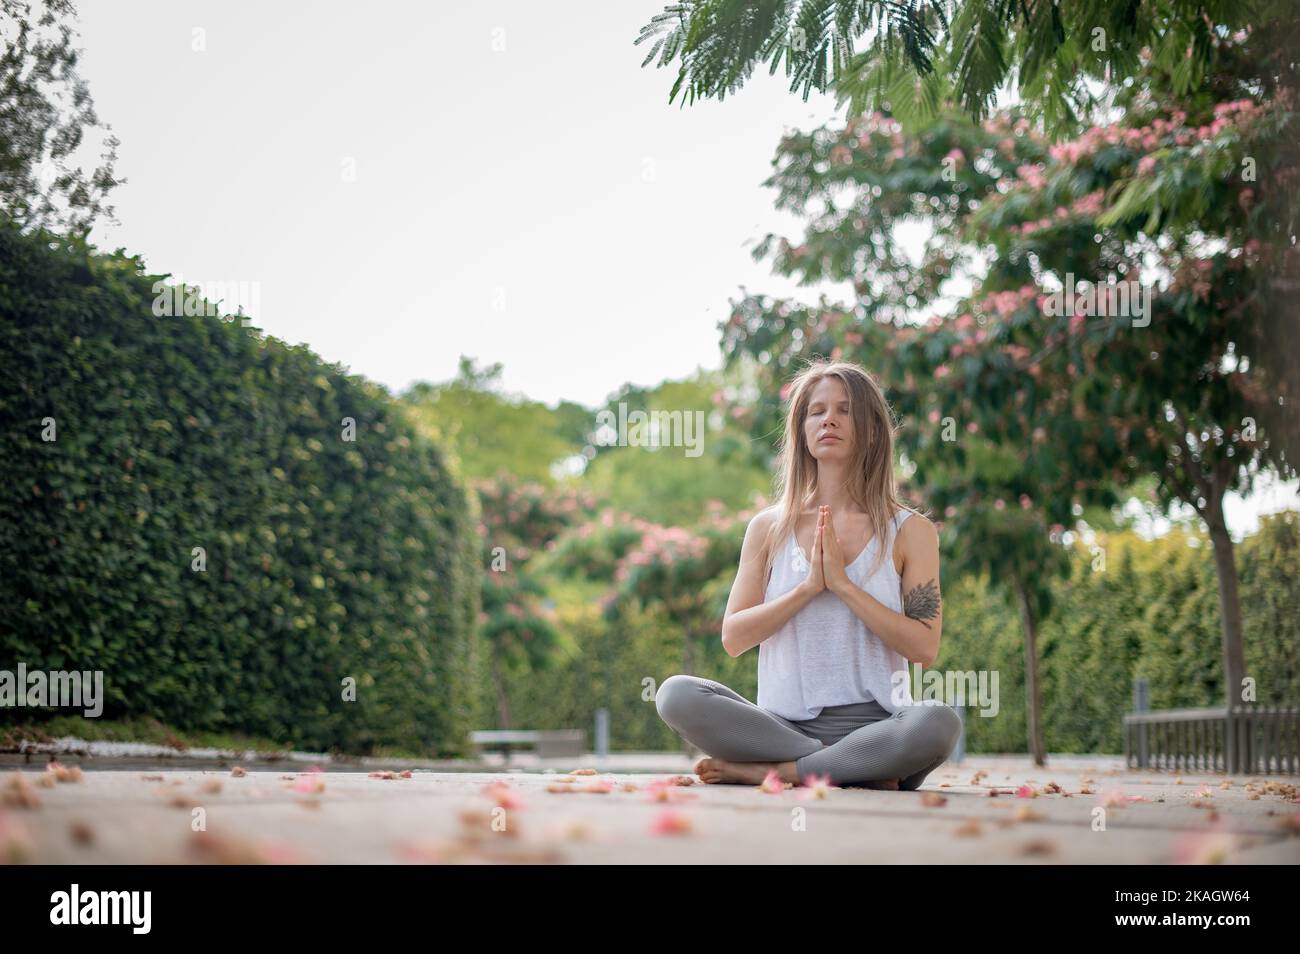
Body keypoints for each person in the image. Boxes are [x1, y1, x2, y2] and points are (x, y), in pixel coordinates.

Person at [655, 359, 961, 790]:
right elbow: (734, 636)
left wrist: (843, 586)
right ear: (802, 429)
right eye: (816, 411)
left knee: (937, 722)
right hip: (778, 732)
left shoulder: (911, 531)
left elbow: (924, 648)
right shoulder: (767, 527)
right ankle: (856, 768)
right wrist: (807, 589)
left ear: (871, 427)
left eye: (844, 409)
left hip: (876, 724)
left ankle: (786, 774)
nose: (829, 419)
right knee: (676, 694)